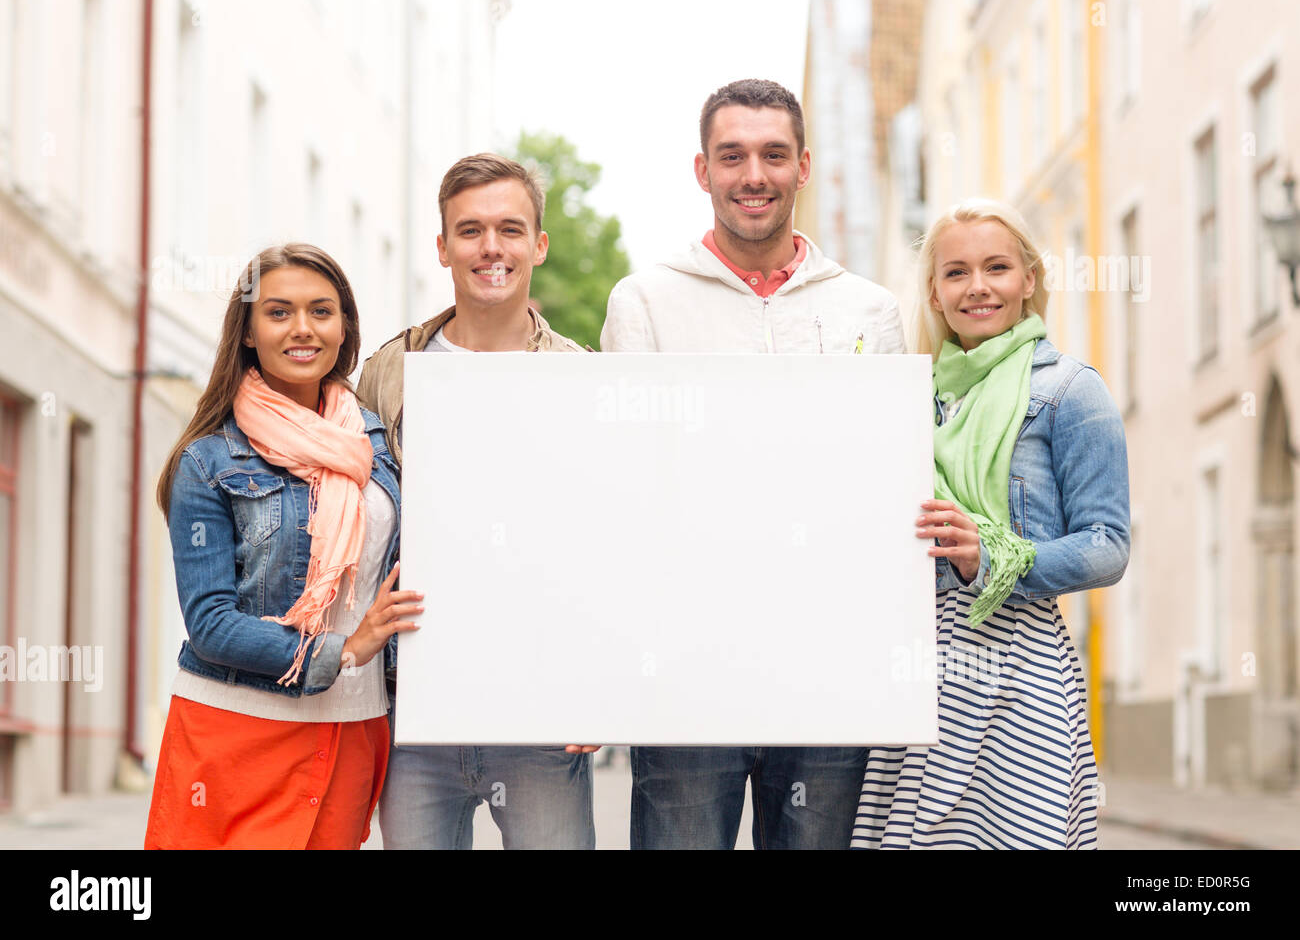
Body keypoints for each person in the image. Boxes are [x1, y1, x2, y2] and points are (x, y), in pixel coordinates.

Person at [600, 79, 906, 850]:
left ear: (804, 165)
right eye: (732, 156)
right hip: (688, 667)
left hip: (828, 666)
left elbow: (888, 482)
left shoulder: (869, 310)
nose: (753, 175)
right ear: (702, 171)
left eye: (773, 155)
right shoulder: (645, 302)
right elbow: (626, 488)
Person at [851, 199, 1130, 849]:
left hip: (1020, 667)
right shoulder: (908, 397)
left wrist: (996, 554)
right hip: (922, 668)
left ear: (1029, 278)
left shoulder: (1070, 390)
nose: (978, 286)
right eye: (957, 273)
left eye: (997, 267)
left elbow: (1108, 546)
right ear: (935, 293)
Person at [356, 152, 597, 850]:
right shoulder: (389, 372)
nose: (491, 247)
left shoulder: (583, 378)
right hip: (413, 707)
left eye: (510, 229)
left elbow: (605, 539)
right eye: (470, 230)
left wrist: (601, 682)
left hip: (542, 713)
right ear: (442, 247)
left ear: (539, 246)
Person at [145, 243, 422, 849]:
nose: (303, 329)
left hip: (353, 728)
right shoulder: (208, 460)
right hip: (237, 730)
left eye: (321, 311)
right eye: (278, 312)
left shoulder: (374, 440)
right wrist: (346, 647)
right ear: (247, 331)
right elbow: (211, 624)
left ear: (344, 326)